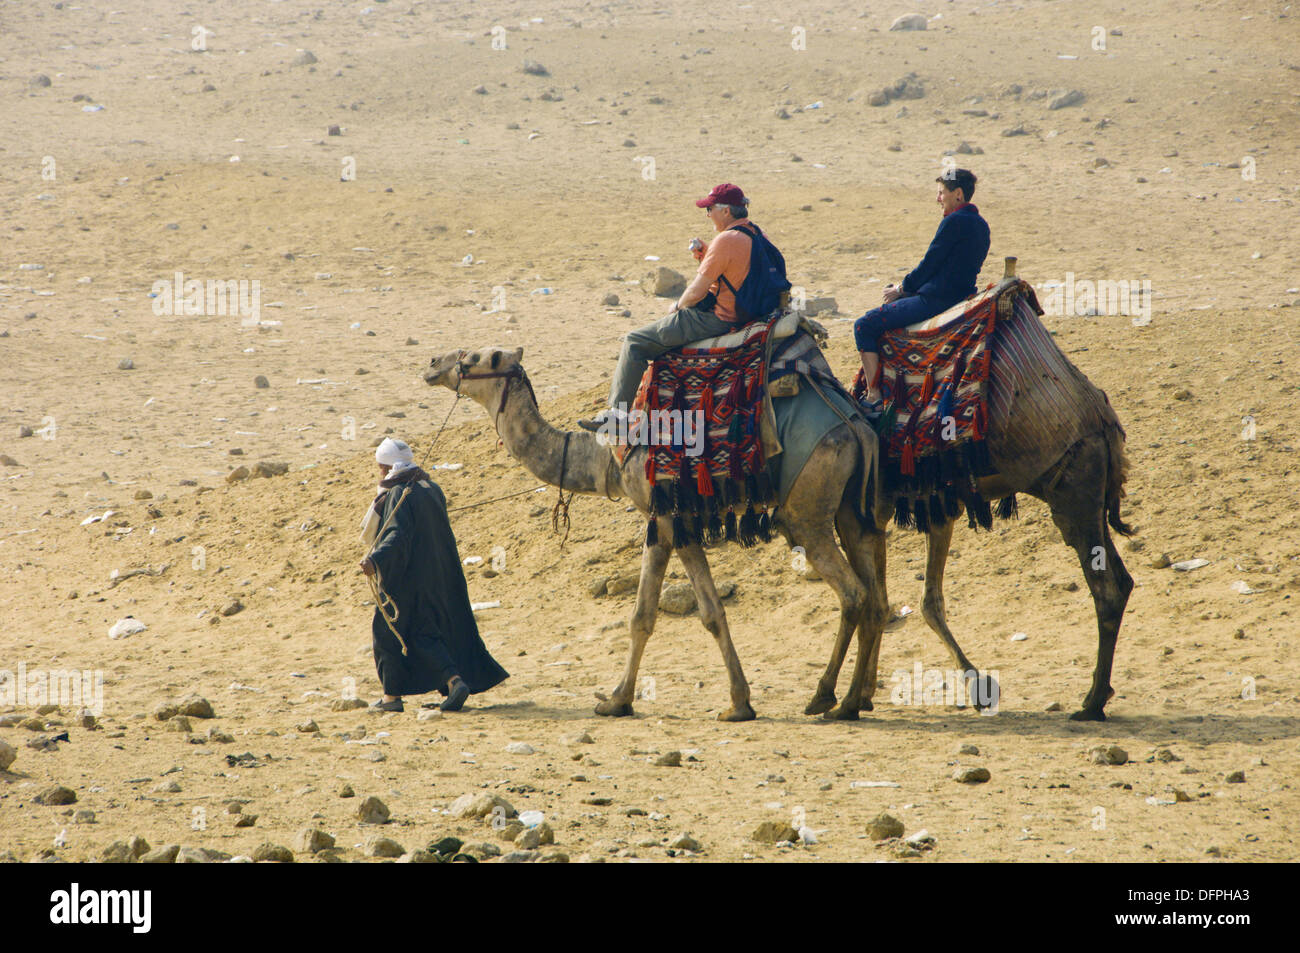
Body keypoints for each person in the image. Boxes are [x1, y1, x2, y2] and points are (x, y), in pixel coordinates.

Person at [579, 183, 784, 432]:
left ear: (726, 211)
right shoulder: (755, 234)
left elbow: (696, 293)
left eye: (709, 209)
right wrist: (707, 253)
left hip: (722, 318)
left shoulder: (726, 240)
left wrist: (677, 306)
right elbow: (739, 269)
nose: (708, 215)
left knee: (635, 341)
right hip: (752, 312)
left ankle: (617, 414)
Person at [358, 438, 508, 712]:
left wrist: (375, 561)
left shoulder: (399, 493)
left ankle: (391, 698)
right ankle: (454, 682)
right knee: (424, 633)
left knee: (386, 630)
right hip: (440, 576)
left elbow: (397, 536)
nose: (381, 474)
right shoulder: (431, 488)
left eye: (382, 469)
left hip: (409, 579)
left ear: (390, 467)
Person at [855, 168, 990, 404]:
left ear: (957, 194)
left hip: (935, 300)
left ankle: (874, 395)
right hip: (961, 295)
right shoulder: (981, 224)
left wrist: (901, 288)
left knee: (864, 325)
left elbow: (930, 264)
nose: (938, 199)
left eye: (941, 193)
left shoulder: (954, 222)